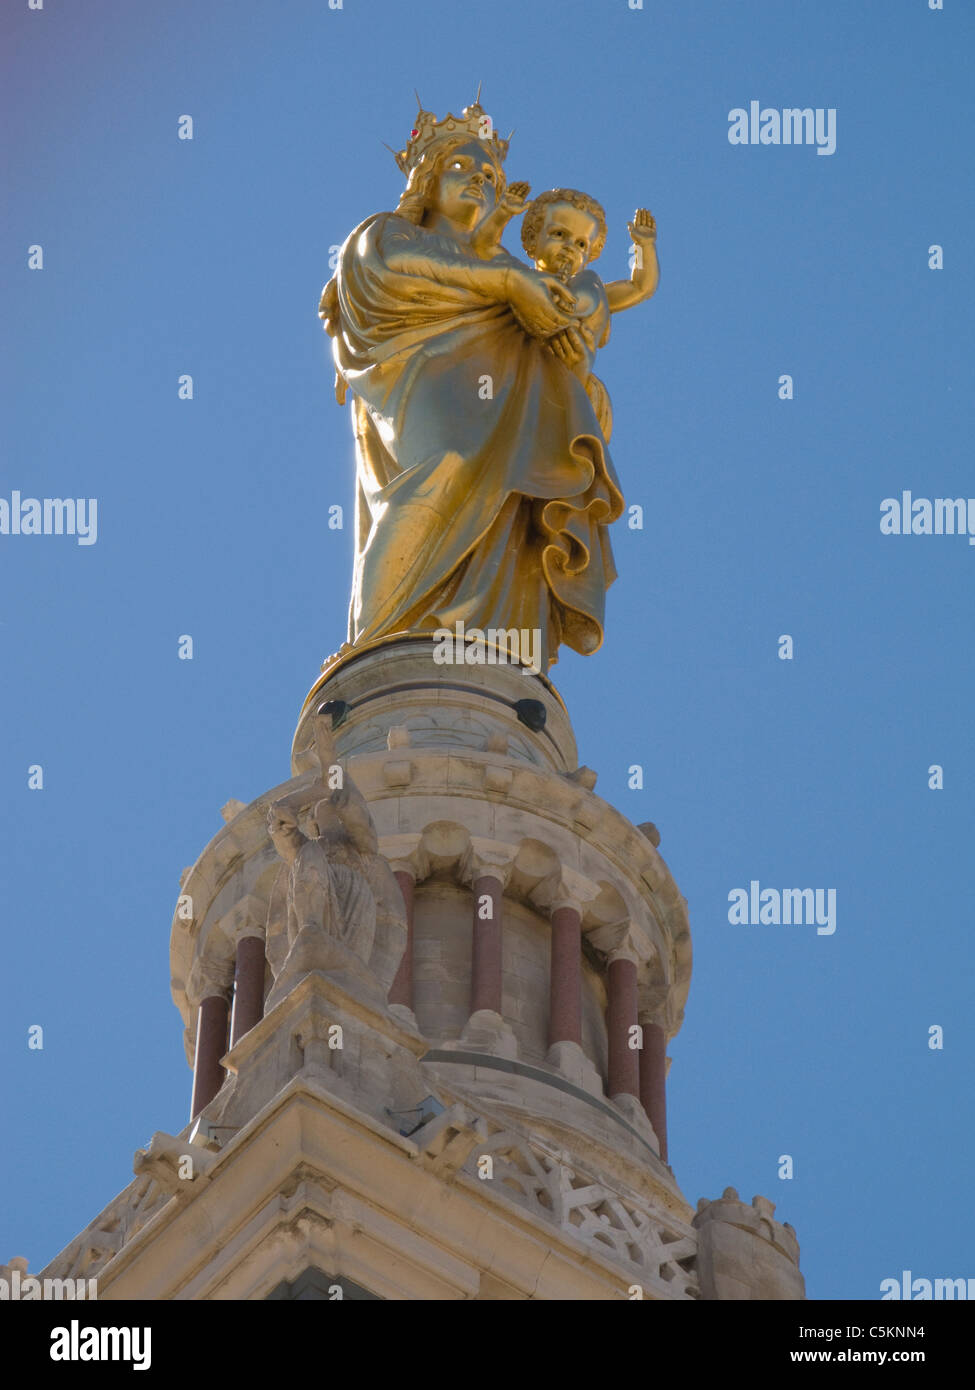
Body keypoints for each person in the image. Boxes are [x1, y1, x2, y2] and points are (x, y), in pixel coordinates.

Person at [318, 103, 625, 672]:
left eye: (491, 177)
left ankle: (494, 660)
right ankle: (376, 642)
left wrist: (571, 363)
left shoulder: (513, 267)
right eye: (463, 166)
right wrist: (507, 284)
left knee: (511, 507)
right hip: (421, 377)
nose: (479, 182)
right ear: (428, 177)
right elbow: (385, 274)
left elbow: (556, 349)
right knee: (446, 465)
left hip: (504, 404)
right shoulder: (385, 234)